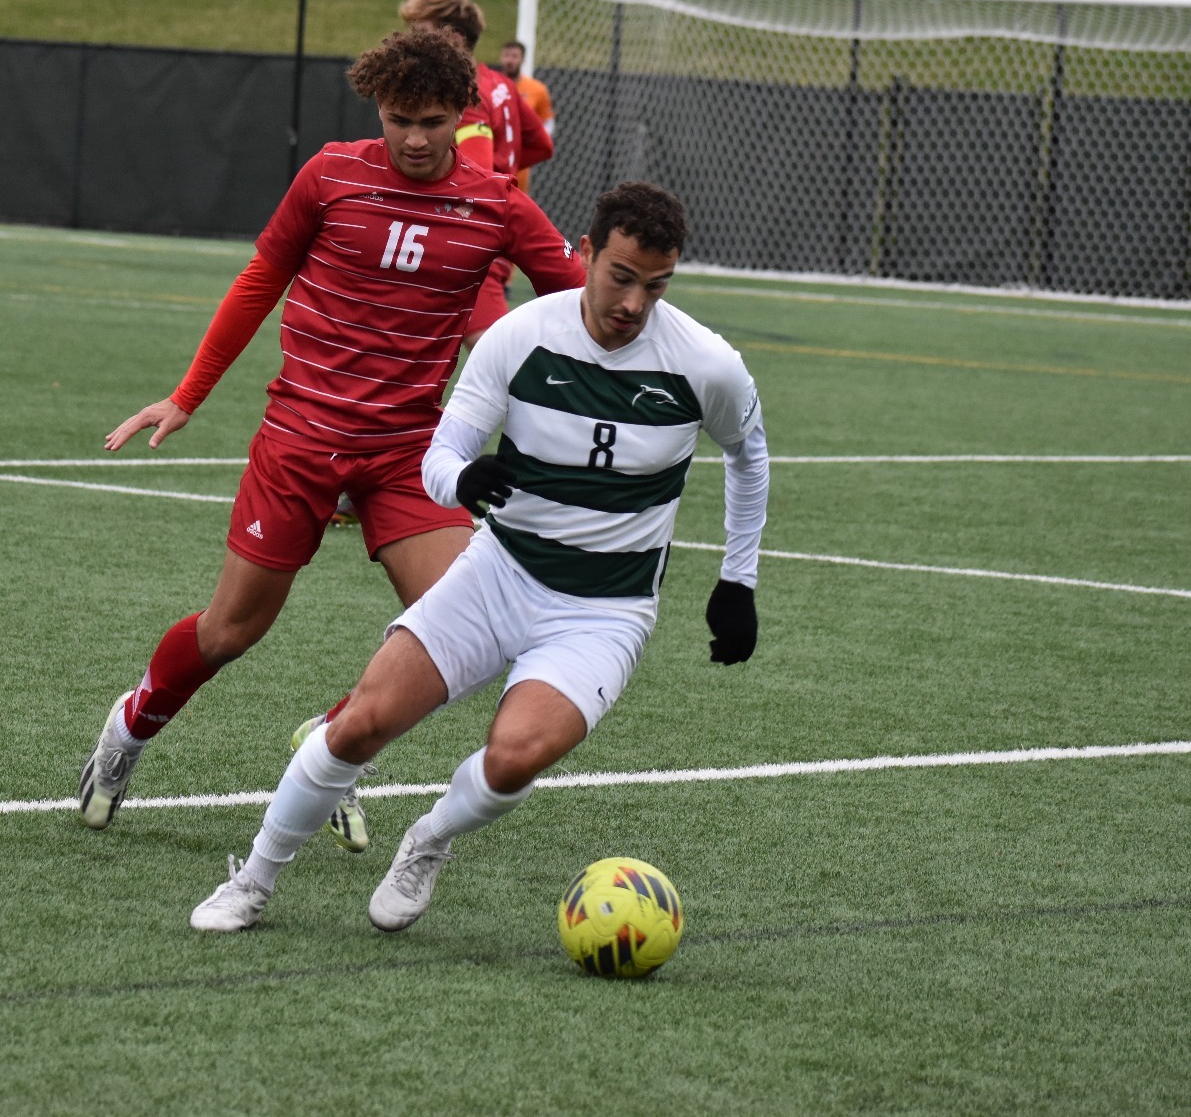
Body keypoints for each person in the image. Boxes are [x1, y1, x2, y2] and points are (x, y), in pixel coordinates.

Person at [188, 181, 769, 935]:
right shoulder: (520, 337)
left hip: (604, 610)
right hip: (496, 576)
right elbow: (443, 454)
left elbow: (748, 456)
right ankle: (254, 880)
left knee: (514, 757)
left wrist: (737, 580)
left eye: (655, 286)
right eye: (621, 276)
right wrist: (462, 481)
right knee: (360, 723)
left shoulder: (707, 364)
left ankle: (430, 838)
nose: (633, 303)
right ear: (585, 254)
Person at [81, 28, 584, 845]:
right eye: (398, 119)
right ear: (377, 109)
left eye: (431, 121)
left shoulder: (497, 203)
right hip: (300, 437)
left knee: (467, 629)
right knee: (230, 631)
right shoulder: (330, 174)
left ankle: (332, 738)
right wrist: (188, 394)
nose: (414, 138)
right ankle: (131, 725)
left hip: (408, 453)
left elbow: (579, 300)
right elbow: (261, 279)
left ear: (462, 115)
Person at [396, 0, 553, 349]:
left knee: (497, 357)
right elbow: (542, 145)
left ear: (452, 36)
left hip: (473, 243)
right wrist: (504, 170)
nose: (411, 42)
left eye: (420, 31)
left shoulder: (464, 93)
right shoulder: (500, 83)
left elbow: (474, 184)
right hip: (497, 229)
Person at [495, 40, 554, 196]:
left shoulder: (537, 89)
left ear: (522, 59)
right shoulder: (490, 86)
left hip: (519, 157)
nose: (510, 60)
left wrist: (532, 143)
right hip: (494, 152)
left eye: (514, 56)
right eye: (506, 55)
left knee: (517, 196)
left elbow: (547, 122)